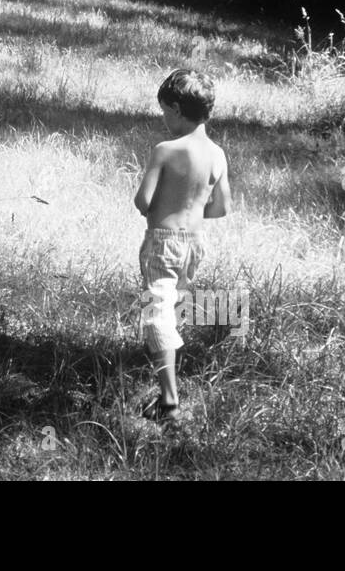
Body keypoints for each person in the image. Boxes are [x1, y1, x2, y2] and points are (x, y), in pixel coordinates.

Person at [133, 69, 232, 423]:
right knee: (172, 305)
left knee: (155, 315)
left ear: (175, 108)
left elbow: (142, 202)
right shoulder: (218, 155)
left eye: (164, 112)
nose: (164, 119)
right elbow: (221, 207)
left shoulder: (165, 150)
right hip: (196, 244)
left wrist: (166, 205)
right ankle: (167, 379)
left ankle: (170, 402)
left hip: (163, 241)